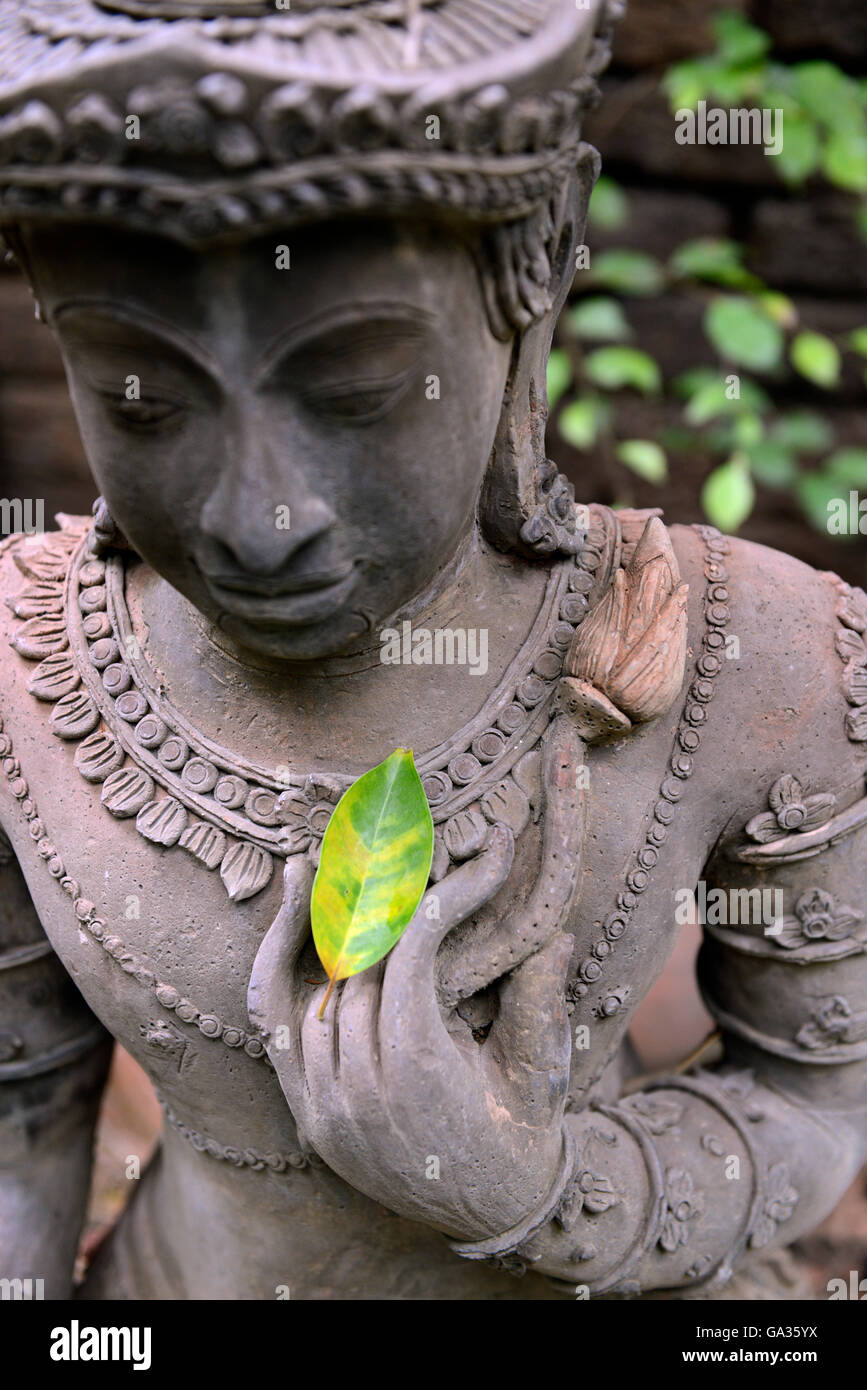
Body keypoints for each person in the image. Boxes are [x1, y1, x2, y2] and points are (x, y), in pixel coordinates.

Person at [0, 0, 864, 1299]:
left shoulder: (755, 653)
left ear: (539, 258)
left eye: (355, 393)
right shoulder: (30, 667)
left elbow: (815, 1098)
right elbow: (18, 1126)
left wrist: (534, 1185)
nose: (255, 519)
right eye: (147, 398)